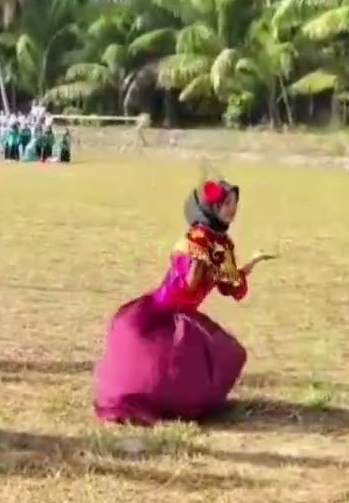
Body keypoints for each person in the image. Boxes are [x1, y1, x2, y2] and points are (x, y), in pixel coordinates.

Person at [93, 179, 277, 425]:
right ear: (211, 207)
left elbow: (232, 287)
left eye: (234, 203)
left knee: (227, 354)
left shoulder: (221, 244)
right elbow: (189, 284)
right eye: (226, 203)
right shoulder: (196, 239)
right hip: (162, 313)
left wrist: (250, 264)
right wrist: (203, 264)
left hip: (186, 317)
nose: (232, 209)